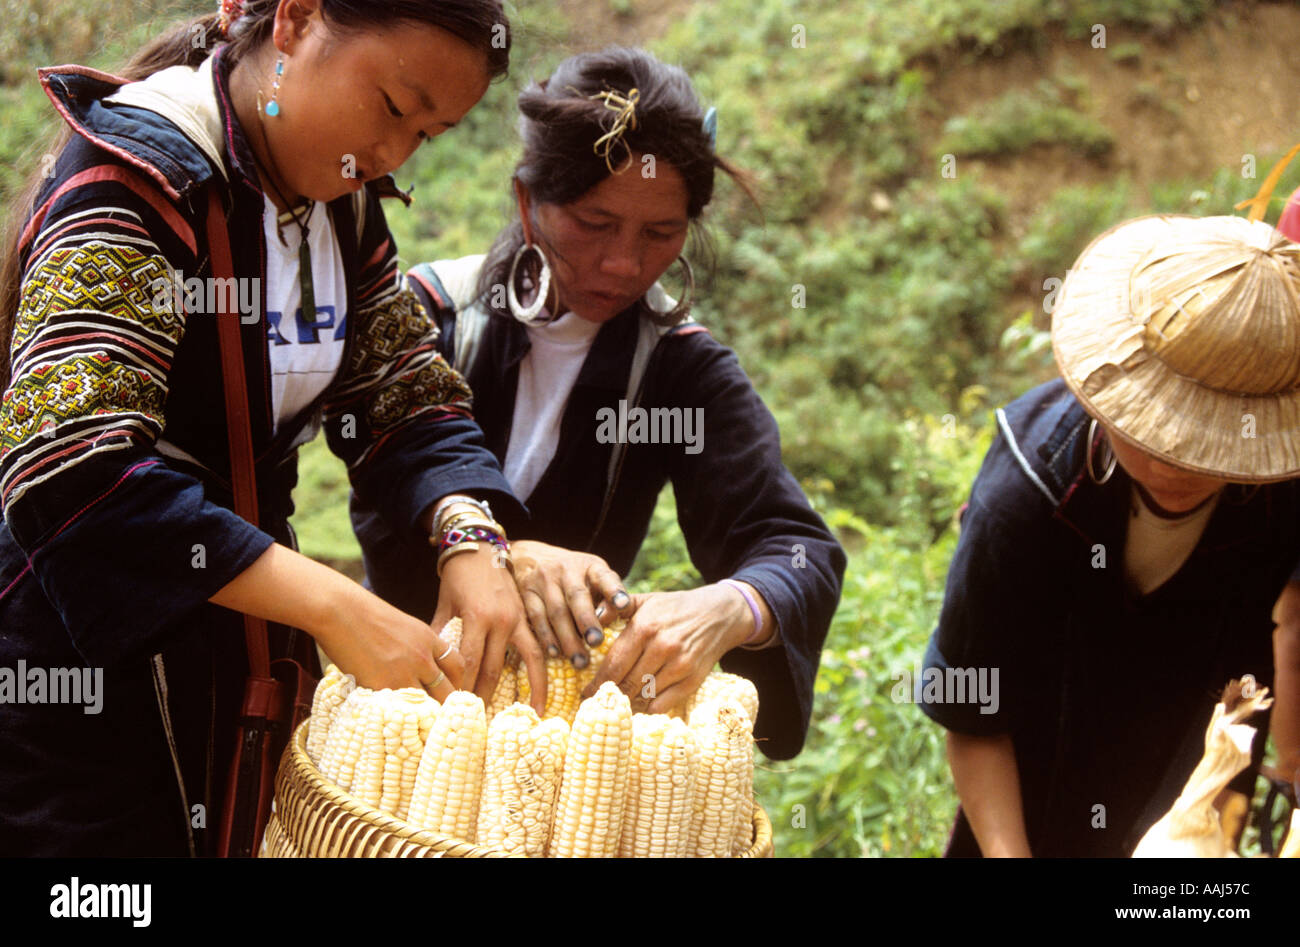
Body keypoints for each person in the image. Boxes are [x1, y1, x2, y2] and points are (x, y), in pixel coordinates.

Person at [0, 0, 546, 856]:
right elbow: (72, 468)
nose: (396, 155)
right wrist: (334, 605)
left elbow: (402, 388)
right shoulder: (134, 177)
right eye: (394, 108)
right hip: (82, 675)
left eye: (428, 136)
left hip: (246, 654)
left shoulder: (340, 204)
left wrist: (469, 531)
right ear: (292, 21)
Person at [350, 47, 846, 760]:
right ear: (528, 202)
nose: (623, 264)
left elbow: (799, 550)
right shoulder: (428, 319)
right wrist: (494, 547)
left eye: (659, 234)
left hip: (562, 749)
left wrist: (728, 607)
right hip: (401, 721)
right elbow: (378, 478)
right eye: (593, 222)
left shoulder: (679, 370)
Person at [918, 212, 1300, 857]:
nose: (1173, 465)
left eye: (1206, 447)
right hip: (1030, 777)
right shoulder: (1027, 491)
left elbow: (1257, 662)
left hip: (1193, 771)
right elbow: (974, 710)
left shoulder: (1281, 488)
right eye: (1153, 434)